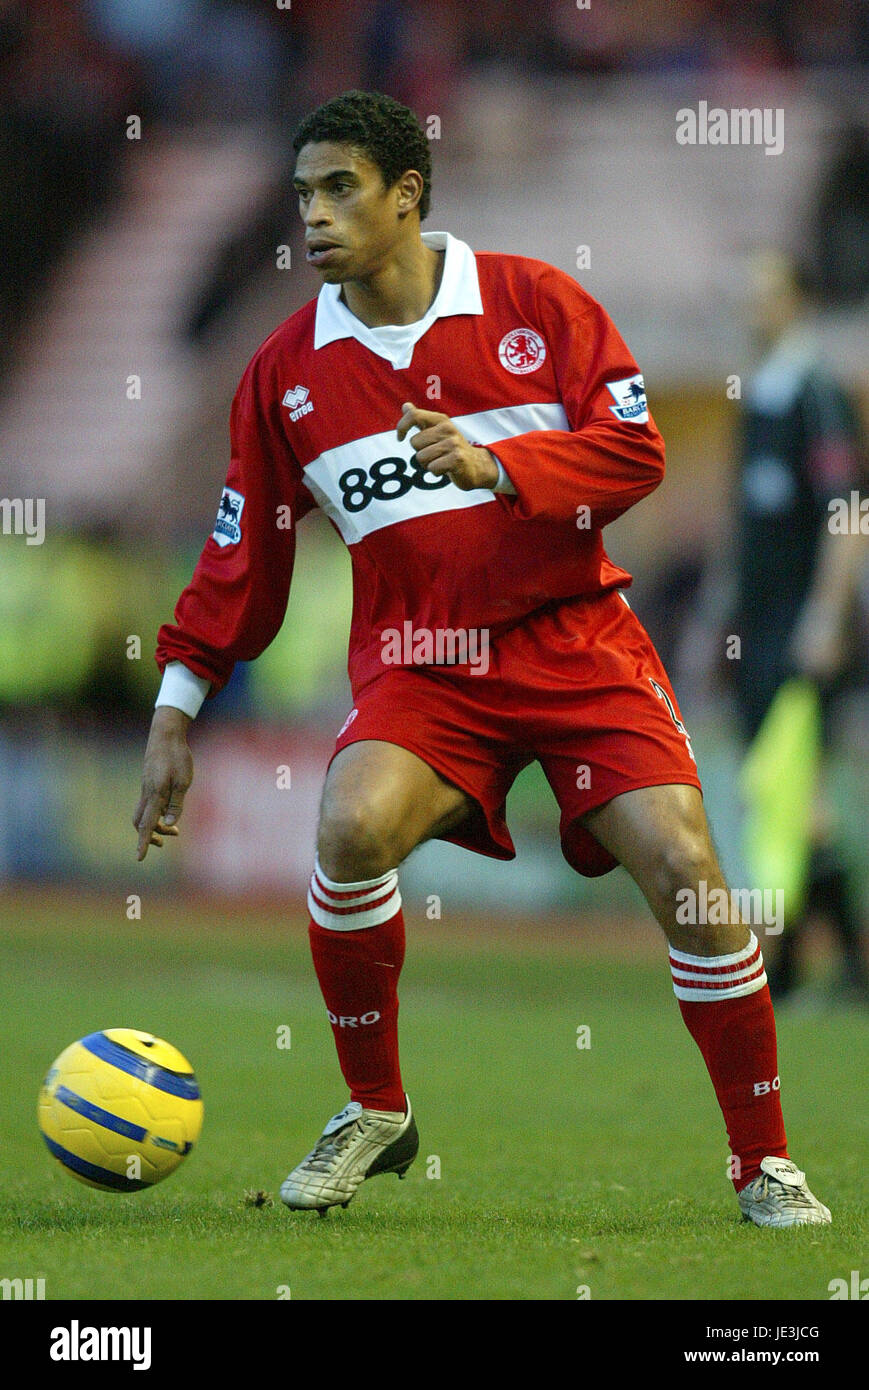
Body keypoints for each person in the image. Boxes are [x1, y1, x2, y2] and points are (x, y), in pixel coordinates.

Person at [133, 91, 830, 1227]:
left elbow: (633, 451)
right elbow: (237, 559)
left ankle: (761, 1161)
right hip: (421, 664)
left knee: (689, 873)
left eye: (339, 187)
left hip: (575, 641)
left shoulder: (534, 302)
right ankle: (375, 1108)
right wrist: (177, 705)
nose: (312, 213)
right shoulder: (284, 372)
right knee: (350, 824)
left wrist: (504, 466)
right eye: (302, 192)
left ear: (406, 194)